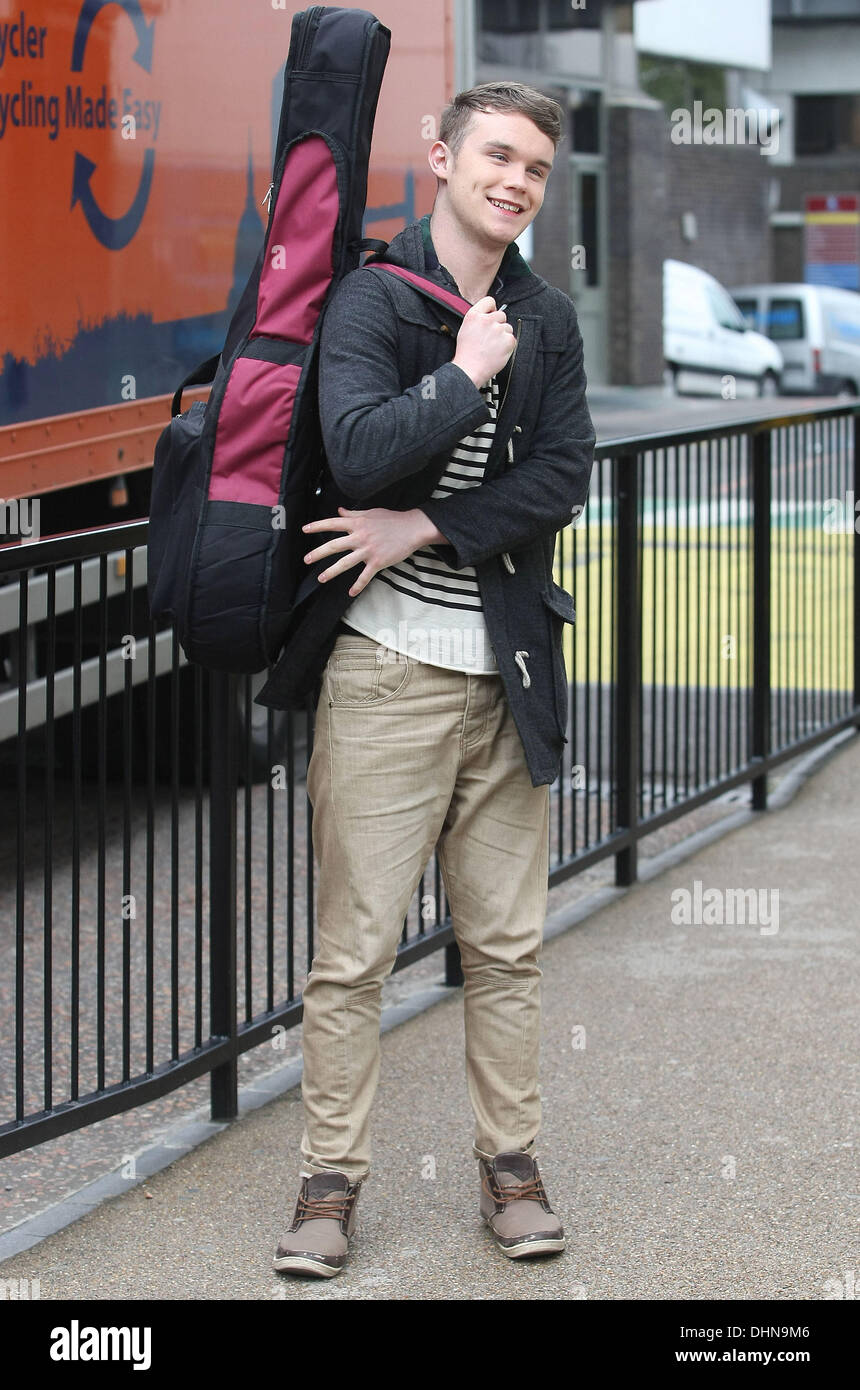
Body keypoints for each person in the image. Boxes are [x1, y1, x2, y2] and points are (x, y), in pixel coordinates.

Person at [259, 80, 595, 1278]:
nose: (515, 181)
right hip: (385, 677)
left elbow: (563, 475)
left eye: (535, 169)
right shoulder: (369, 298)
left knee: (505, 950)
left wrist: (419, 529)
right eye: (496, 156)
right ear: (441, 155)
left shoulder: (545, 318)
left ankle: (511, 1172)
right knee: (350, 955)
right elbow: (353, 448)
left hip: (506, 673)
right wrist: (458, 374)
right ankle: (328, 1188)